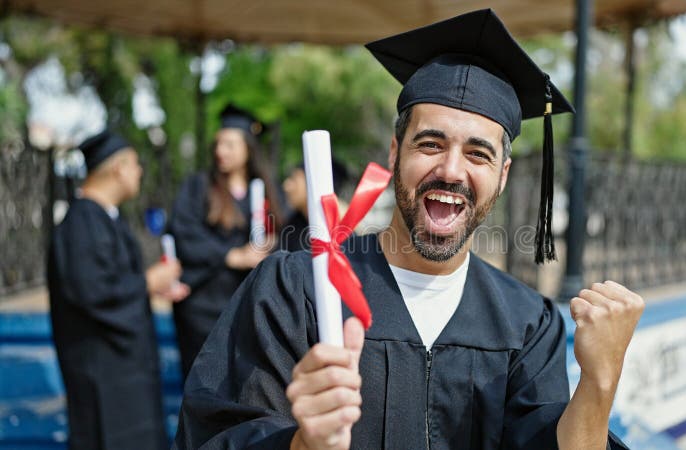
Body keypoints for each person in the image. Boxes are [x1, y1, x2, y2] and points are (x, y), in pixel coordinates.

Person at [173, 9, 643, 450]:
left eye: (478, 154)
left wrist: (599, 384)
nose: (451, 170)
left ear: (502, 176)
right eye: (431, 144)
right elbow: (215, 434)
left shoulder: (527, 324)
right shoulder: (295, 290)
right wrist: (302, 443)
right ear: (395, 153)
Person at [48, 130, 189, 450]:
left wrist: (149, 289)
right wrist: (147, 282)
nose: (139, 172)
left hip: (125, 378)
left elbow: (112, 284)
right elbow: (92, 292)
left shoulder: (105, 219)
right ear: (118, 168)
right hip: (103, 381)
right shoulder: (83, 222)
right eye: (135, 164)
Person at [168, 103, 283, 379]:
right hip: (204, 306)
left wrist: (271, 243)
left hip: (249, 303)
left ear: (248, 148)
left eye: (230, 145)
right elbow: (184, 234)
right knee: (206, 379)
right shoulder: (199, 186)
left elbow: (283, 231)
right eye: (218, 144)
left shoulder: (266, 190)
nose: (221, 151)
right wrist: (232, 255)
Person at [280, 159, 350, 252]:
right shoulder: (294, 226)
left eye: (294, 179)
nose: (286, 186)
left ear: (314, 185)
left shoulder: (344, 230)